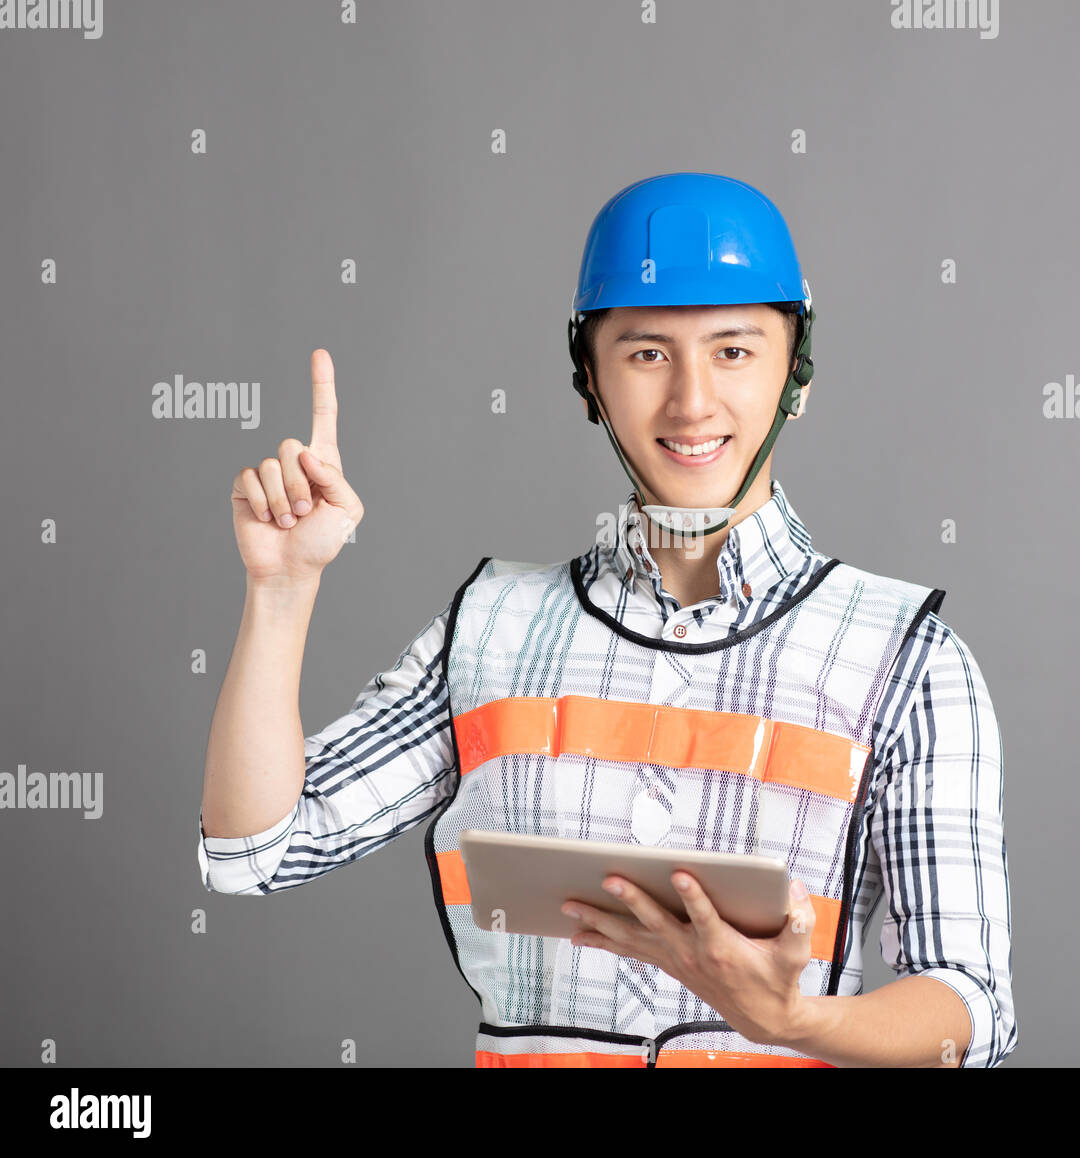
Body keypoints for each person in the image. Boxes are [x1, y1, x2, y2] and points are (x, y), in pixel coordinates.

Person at [198, 171, 1017, 1068]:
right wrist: (280, 595)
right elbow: (256, 852)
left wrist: (794, 1023)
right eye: (647, 353)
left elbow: (971, 1013)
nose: (693, 402)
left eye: (735, 351)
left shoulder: (908, 658)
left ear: (799, 374)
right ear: (589, 378)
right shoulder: (493, 629)